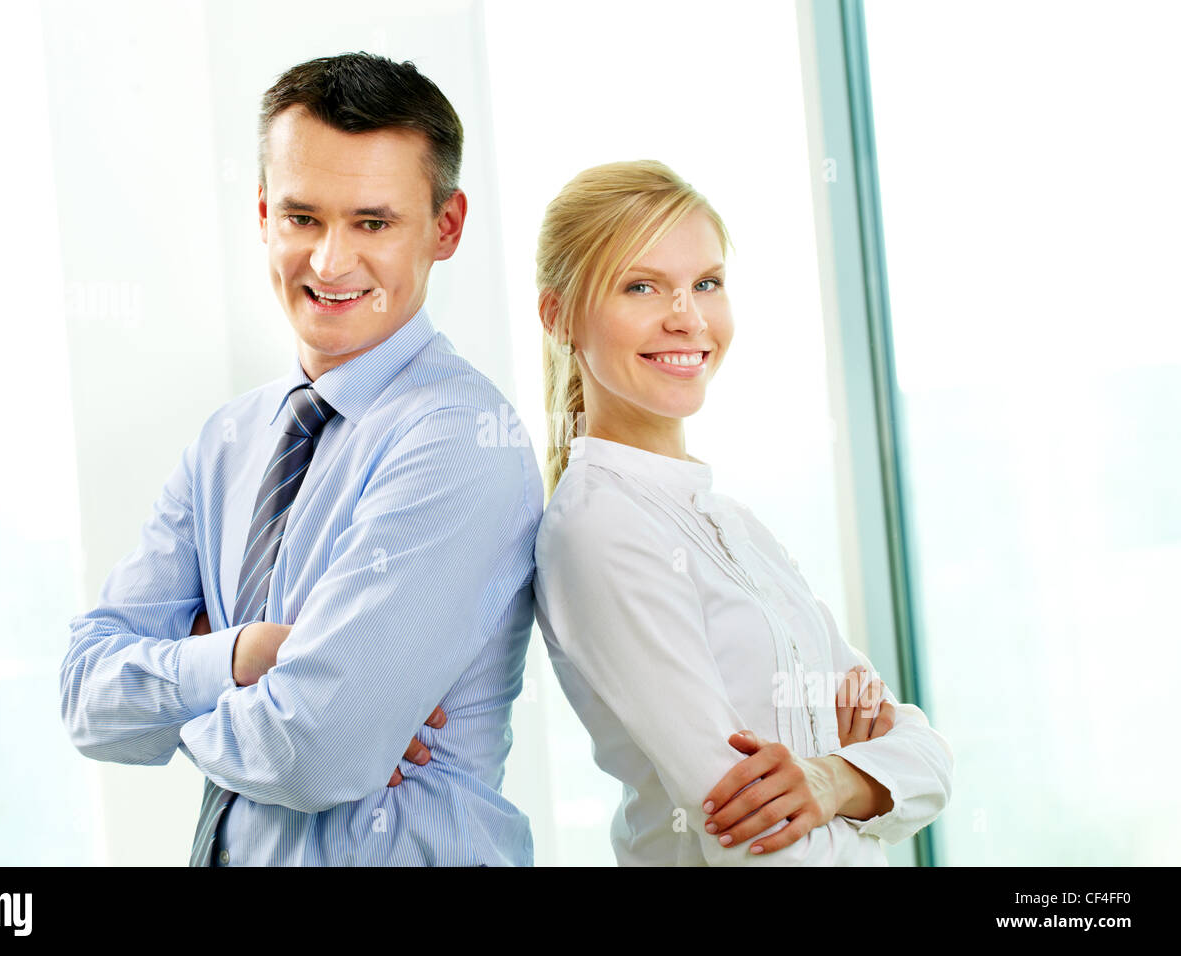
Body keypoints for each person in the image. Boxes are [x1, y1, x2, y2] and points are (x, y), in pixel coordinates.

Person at [60, 53, 541, 866]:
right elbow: (84, 698)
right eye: (302, 218)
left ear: (447, 226)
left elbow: (313, 751)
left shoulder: (458, 439)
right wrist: (247, 657)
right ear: (262, 214)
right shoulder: (228, 442)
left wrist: (186, 684)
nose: (329, 263)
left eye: (373, 223)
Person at [532, 160, 953, 865]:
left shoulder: (731, 522)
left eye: (707, 283)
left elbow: (927, 756)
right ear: (559, 315)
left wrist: (835, 777)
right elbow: (747, 827)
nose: (686, 317)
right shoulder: (600, 529)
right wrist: (861, 785)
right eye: (642, 286)